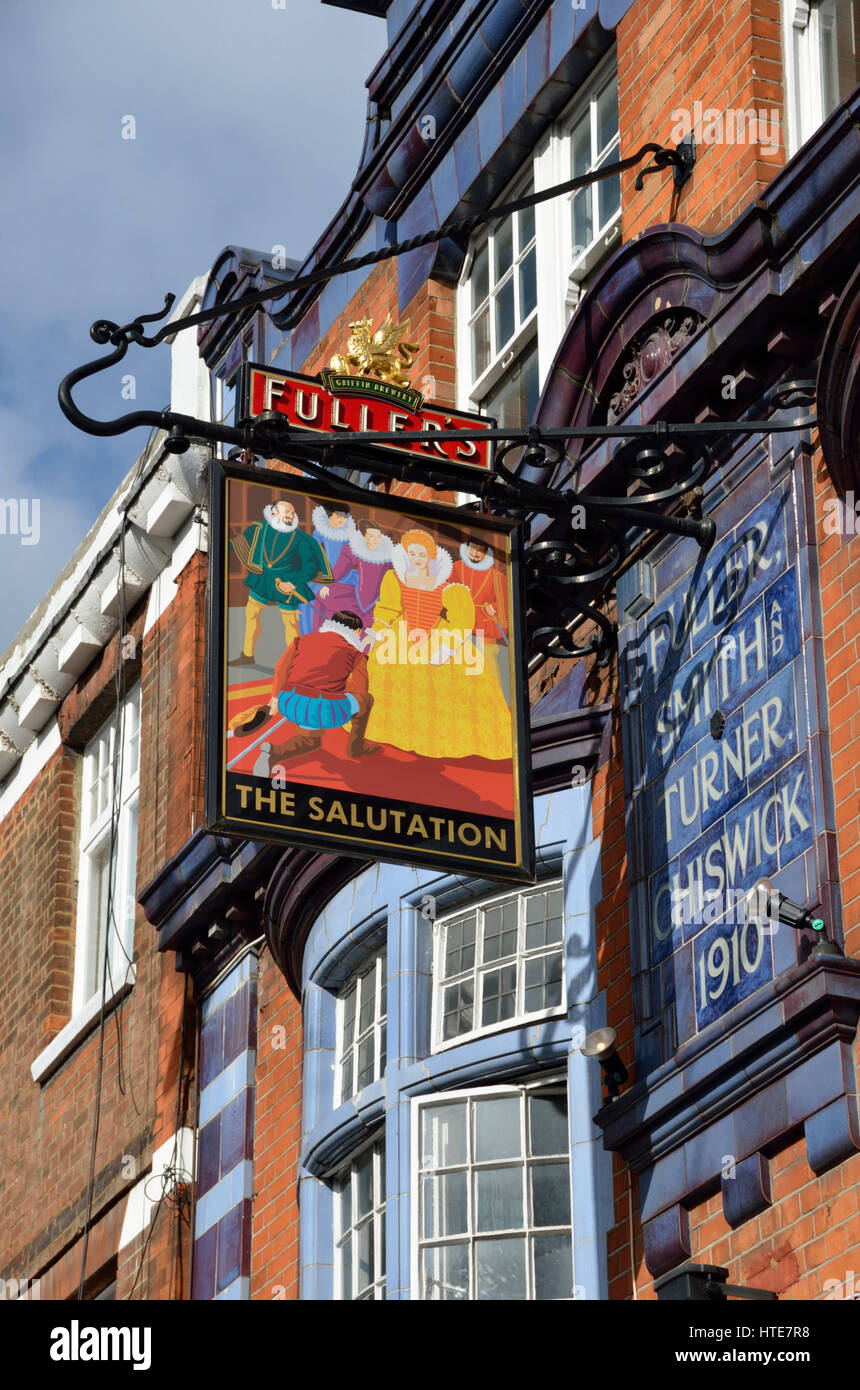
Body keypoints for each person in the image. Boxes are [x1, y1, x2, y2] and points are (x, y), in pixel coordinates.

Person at [364, 528, 512, 760]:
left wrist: (448, 647)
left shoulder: (445, 583)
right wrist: (376, 632)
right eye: (412, 553)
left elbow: (461, 616)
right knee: (400, 685)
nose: (417, 558)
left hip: (437, 636)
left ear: (431, 556)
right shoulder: (395, 578)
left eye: (422, 554)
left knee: (448, 687)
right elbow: (388, 607)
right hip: (402, 638)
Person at [233, 610, 379, 762]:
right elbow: (360, 688)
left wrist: (275, 698)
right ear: (355, 631)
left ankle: (273, 753)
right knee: (366, 700)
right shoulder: (356, 654)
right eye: (359, 633)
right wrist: (339, 683)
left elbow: (281, 668)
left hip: (288, 702)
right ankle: (356, 746)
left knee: (310, 740)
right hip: (323, 709)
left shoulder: (301, 640)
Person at [229, 498, 331, 665]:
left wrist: (293, 583)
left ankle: (295, 661)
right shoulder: (259, 528)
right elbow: (238, 544)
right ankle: (247, 655)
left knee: (291, 623)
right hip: (262, 579)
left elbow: (310, 567)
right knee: (251, 614)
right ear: (274, 512)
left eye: (293, 513)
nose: (291, 515)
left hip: (288, 583)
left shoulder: (300, 539)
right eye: (287, 511)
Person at [450, 537, 510, 701]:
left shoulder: (495, 575)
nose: (476, 553)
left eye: (481, 550)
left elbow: (503, 600)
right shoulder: (455, 569)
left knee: (488, 670)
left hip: (484, 630)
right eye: (473, 548)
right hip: (460, 626)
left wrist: (492, 608)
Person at [317, 517, 394, 632]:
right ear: (364, 537)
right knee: (323, 597)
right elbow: (340, 569)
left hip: (379, 599)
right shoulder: (356, 551)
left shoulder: (387, 555)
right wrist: (328, 585)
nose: (375, 540)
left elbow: (398, 574)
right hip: (358, 598)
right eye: (371, 536)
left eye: (378, 536)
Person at [301, 504, 357, 634]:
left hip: (343, 573)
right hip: (326, 571)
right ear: (330, 516)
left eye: (344, 516)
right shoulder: (322, 531)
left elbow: (347, 560)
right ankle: (311, 634)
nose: (342, 519)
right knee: (307, 598)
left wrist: (330, 584)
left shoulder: (347, 535)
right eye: (338, 515)